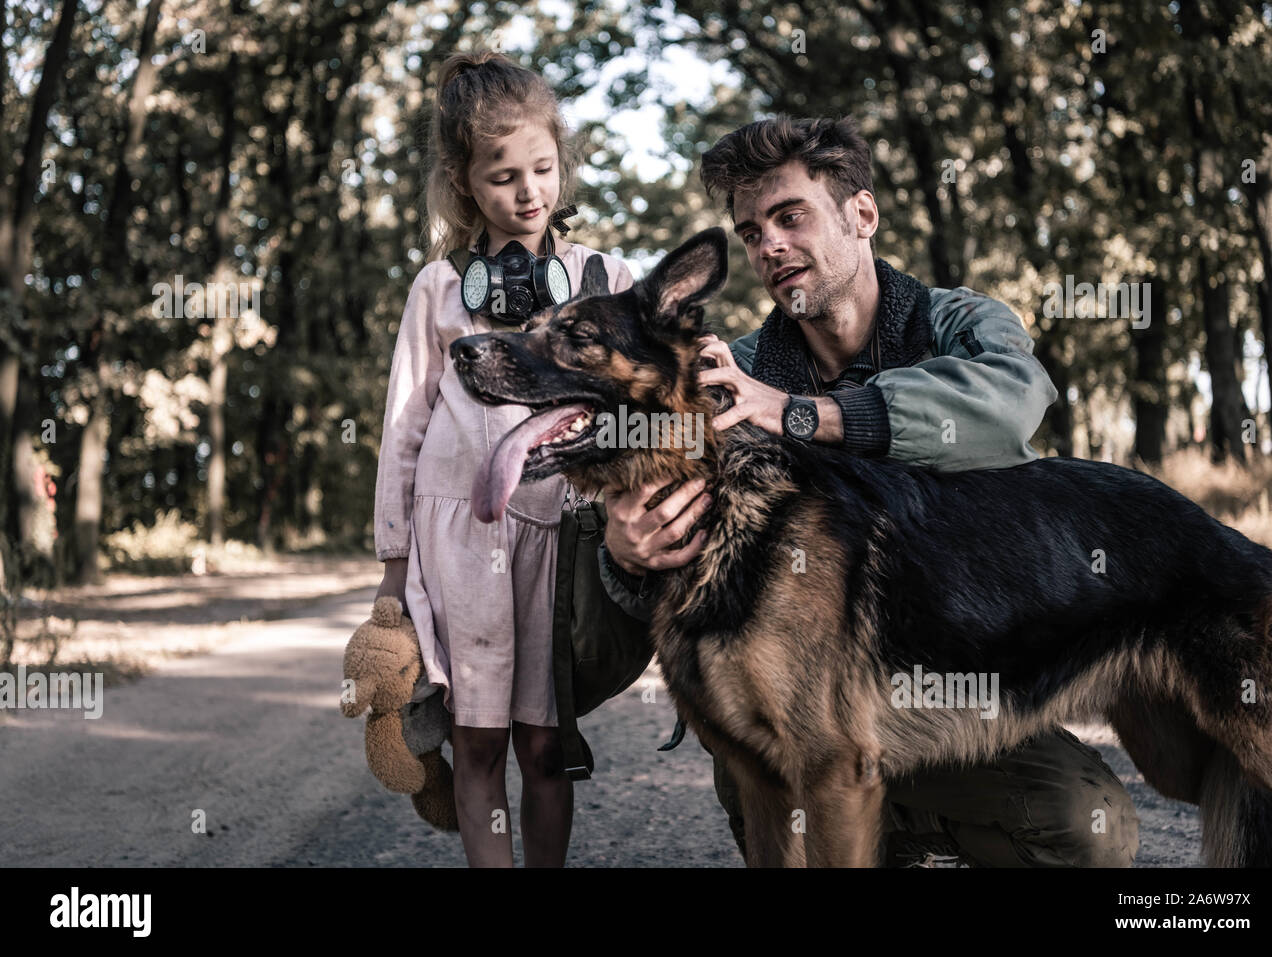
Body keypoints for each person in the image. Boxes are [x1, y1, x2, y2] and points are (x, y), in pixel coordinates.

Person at [596, 115, 1140, 867]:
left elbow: (1014, 399)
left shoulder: (957, 321)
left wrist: (800, 414)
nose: (770, 245)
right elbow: (667, 559)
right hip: (796, 718)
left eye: (791, 217)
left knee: (1089, 821)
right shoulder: (731, 372)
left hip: (950, 691)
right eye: (752, 232)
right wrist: (624, 556)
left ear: (863, 215)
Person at [372, 50, 634, 867]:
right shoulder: (437, 289)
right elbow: (404, 425)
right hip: (455, 539)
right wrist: (391, 564)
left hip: (559, 539)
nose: (527, 193)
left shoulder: (606, 276)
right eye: (502, 178)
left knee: (545, 744)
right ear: (463, 183)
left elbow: (645, 401)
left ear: (562, 161)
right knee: (478, 744)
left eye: (543, 169)